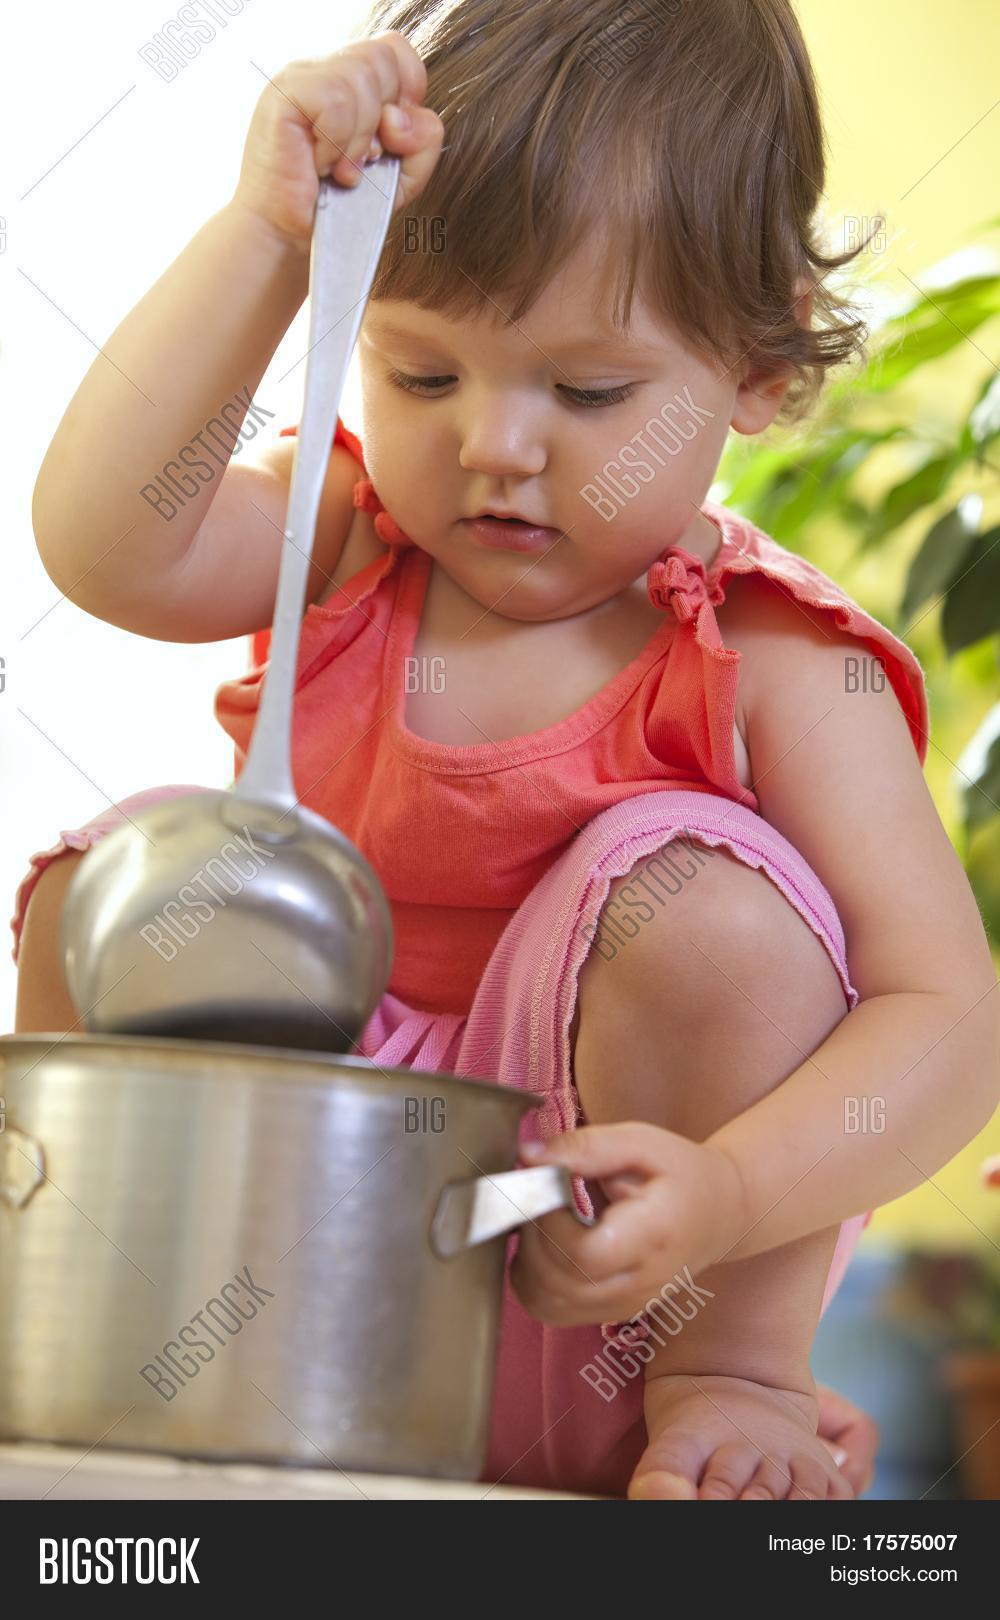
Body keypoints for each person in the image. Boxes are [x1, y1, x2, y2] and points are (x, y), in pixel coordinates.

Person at [19, 3, 998, 1499]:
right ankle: (94, 1329)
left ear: (762, 362)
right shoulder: (343, 533)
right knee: (117, 881)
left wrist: (728, 1194)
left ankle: (734, 1383)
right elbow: (105, 547)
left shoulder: (779, 660)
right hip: (289, 1257)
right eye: (421, 375)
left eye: (587, 392)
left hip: (611, 1272)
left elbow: (949, 1016)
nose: (494, 445)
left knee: (706, 908)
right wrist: (264, 241)